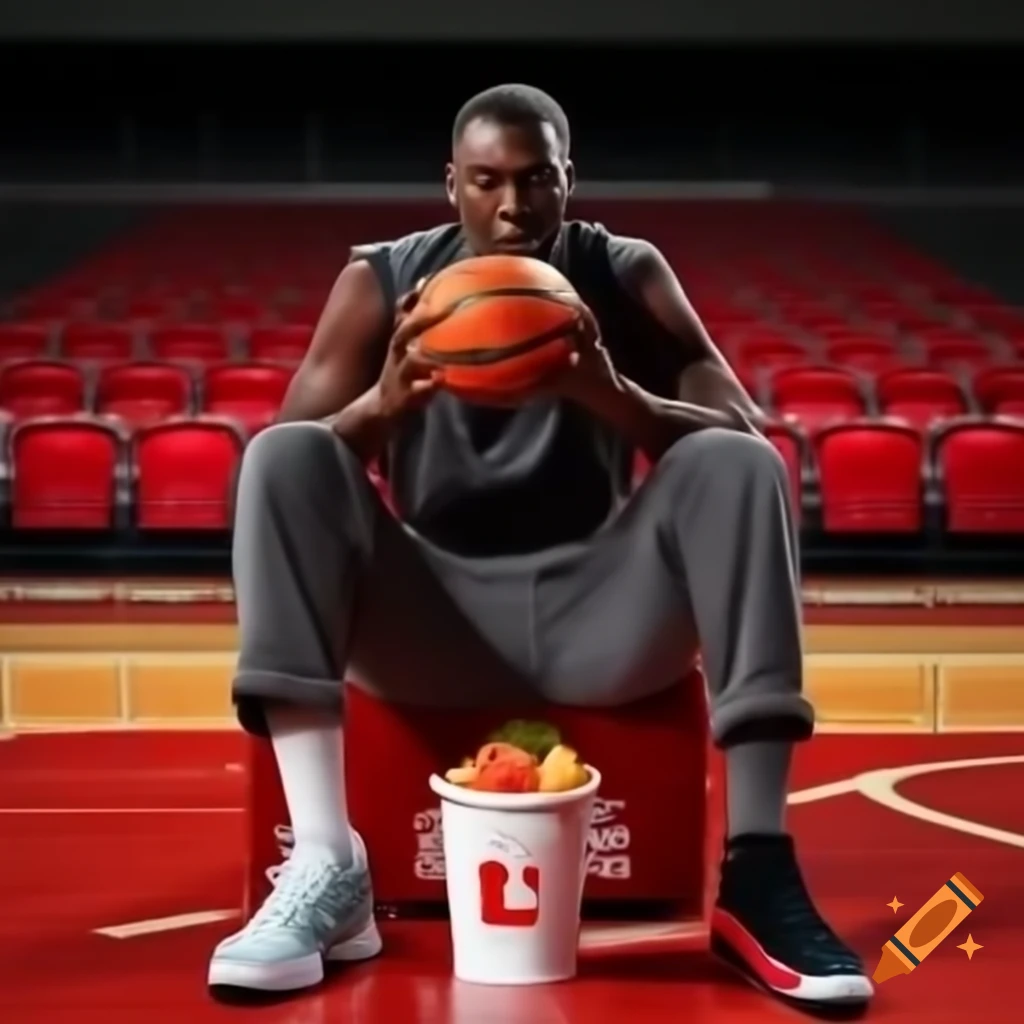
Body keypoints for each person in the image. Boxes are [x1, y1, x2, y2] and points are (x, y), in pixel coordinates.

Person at [208, 83, 872, 1007]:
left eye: (536, 181)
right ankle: (327, 862)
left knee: (735, 464)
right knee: (281, 457)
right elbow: (301, 468)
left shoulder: (623, 269)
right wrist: (386, 407)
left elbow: (741, 428)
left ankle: (759, 868)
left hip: (600, 617)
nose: (513, 207)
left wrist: (614, 396)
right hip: (424, 620)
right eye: (487, 182)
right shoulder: (384, 279)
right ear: (452, 184)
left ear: (569, 181)